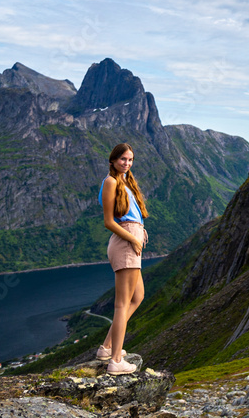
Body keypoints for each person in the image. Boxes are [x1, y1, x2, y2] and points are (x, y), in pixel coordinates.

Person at [96, 142, 149, 375]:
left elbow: (133, 215)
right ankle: (116, 361)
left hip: (132, 240)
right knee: (121, 304)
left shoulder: (125, 182)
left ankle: (107, 348)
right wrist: (134, 238)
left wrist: (140, 232)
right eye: (122, 159)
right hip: (125, 243)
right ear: (113, 160)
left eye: (130, 160)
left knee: (138, 296)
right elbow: (109, 221)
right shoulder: (110, 182)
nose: (126, 163)